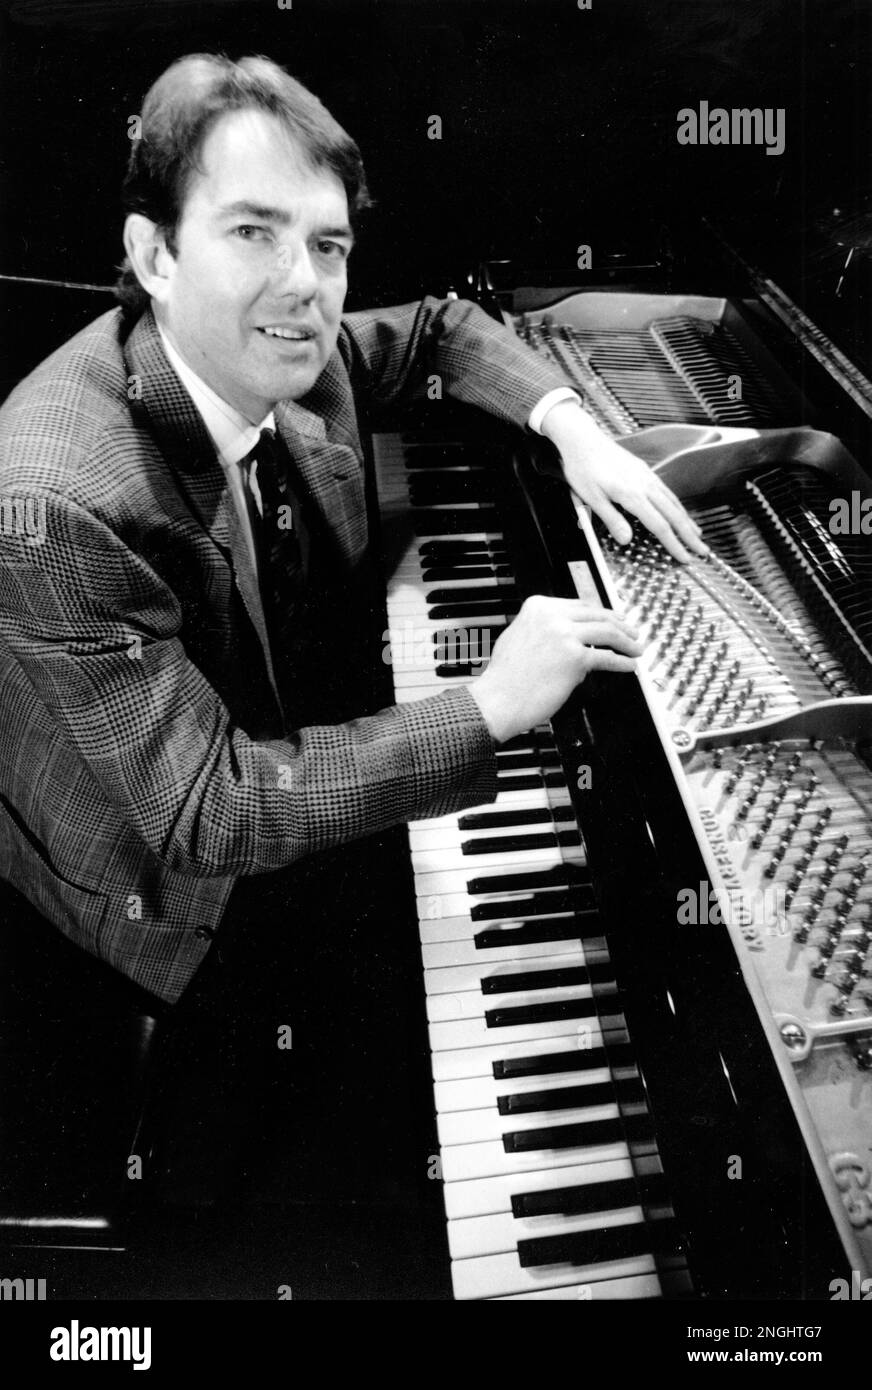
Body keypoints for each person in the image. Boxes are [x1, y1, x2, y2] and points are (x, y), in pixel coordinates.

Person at [0, 52, 705, 1014]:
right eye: (254, 232)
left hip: (269, 732)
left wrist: (573, 428)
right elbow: (208, 814)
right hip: (163, 888)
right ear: (157, 256)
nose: (306, 286)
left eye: (328, 246)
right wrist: (486, 705)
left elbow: (442, 330)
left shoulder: (292, 355)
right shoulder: (56, 504)